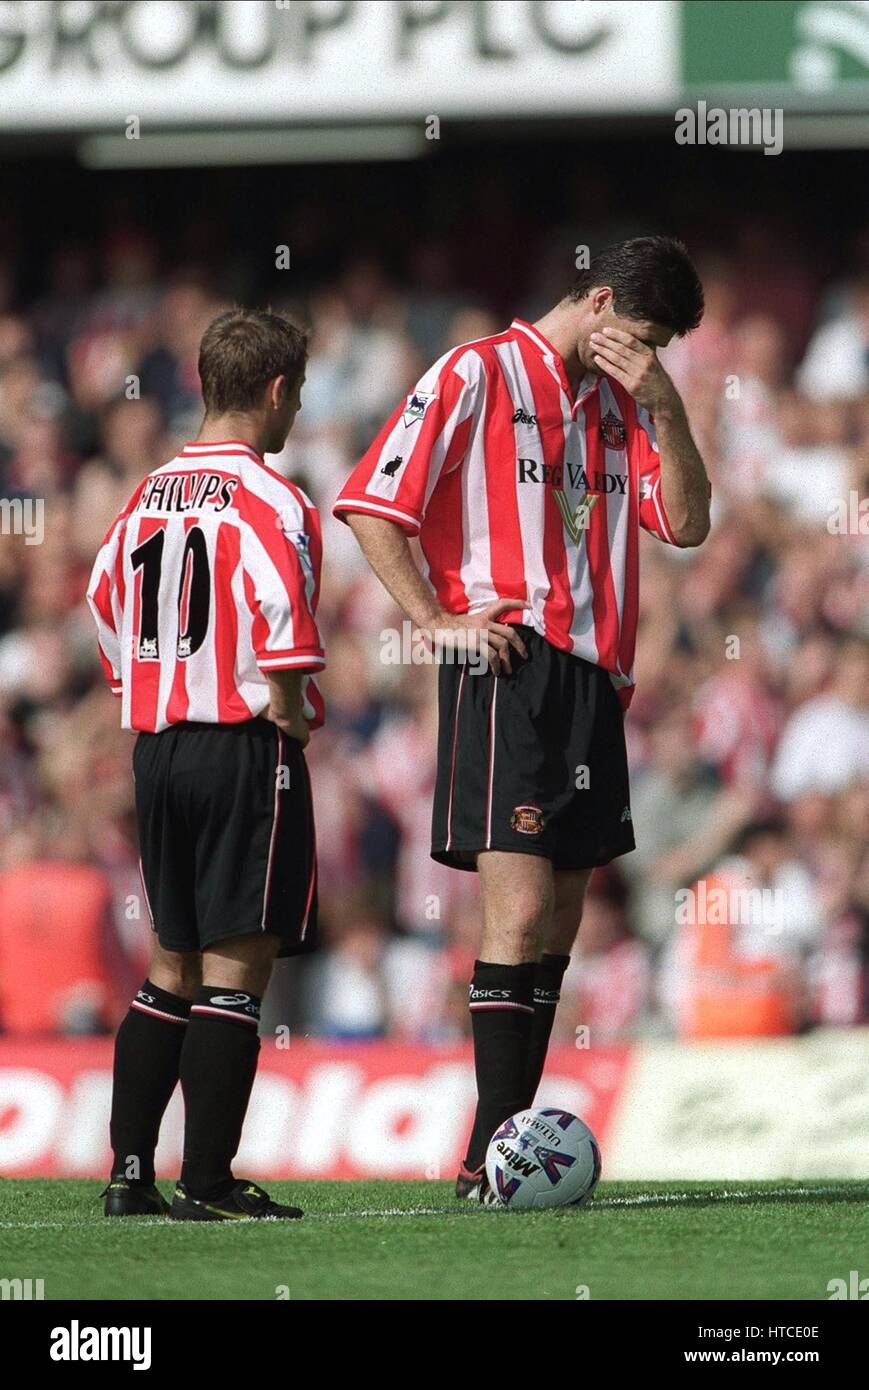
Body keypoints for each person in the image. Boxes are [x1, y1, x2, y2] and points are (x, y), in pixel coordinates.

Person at [334, 236, 711, 1200]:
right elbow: (375, 501)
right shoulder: (477, 370)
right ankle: (488, 1157)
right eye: (639, 337)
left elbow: (691, 521)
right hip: (507, 662)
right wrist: (433, 622)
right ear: (594, 301)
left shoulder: (629, 404)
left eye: (660, 346)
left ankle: (499, 1157)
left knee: (562, 925)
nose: (645, 356)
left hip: (596, 682)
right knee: (517, 904)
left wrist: (664, 400)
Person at [86, 308, 324, 1220]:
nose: (295, 413)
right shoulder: (272, 497)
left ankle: (129, 1173)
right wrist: (293, 720)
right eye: (294, 395)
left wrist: (141, 690)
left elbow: (106, 597)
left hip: (158, 747)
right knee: (235, 971)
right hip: (239, 746)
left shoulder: (144, 494)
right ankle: (211, 1178)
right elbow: (287, 634)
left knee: (168, 967)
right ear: (274, 391)